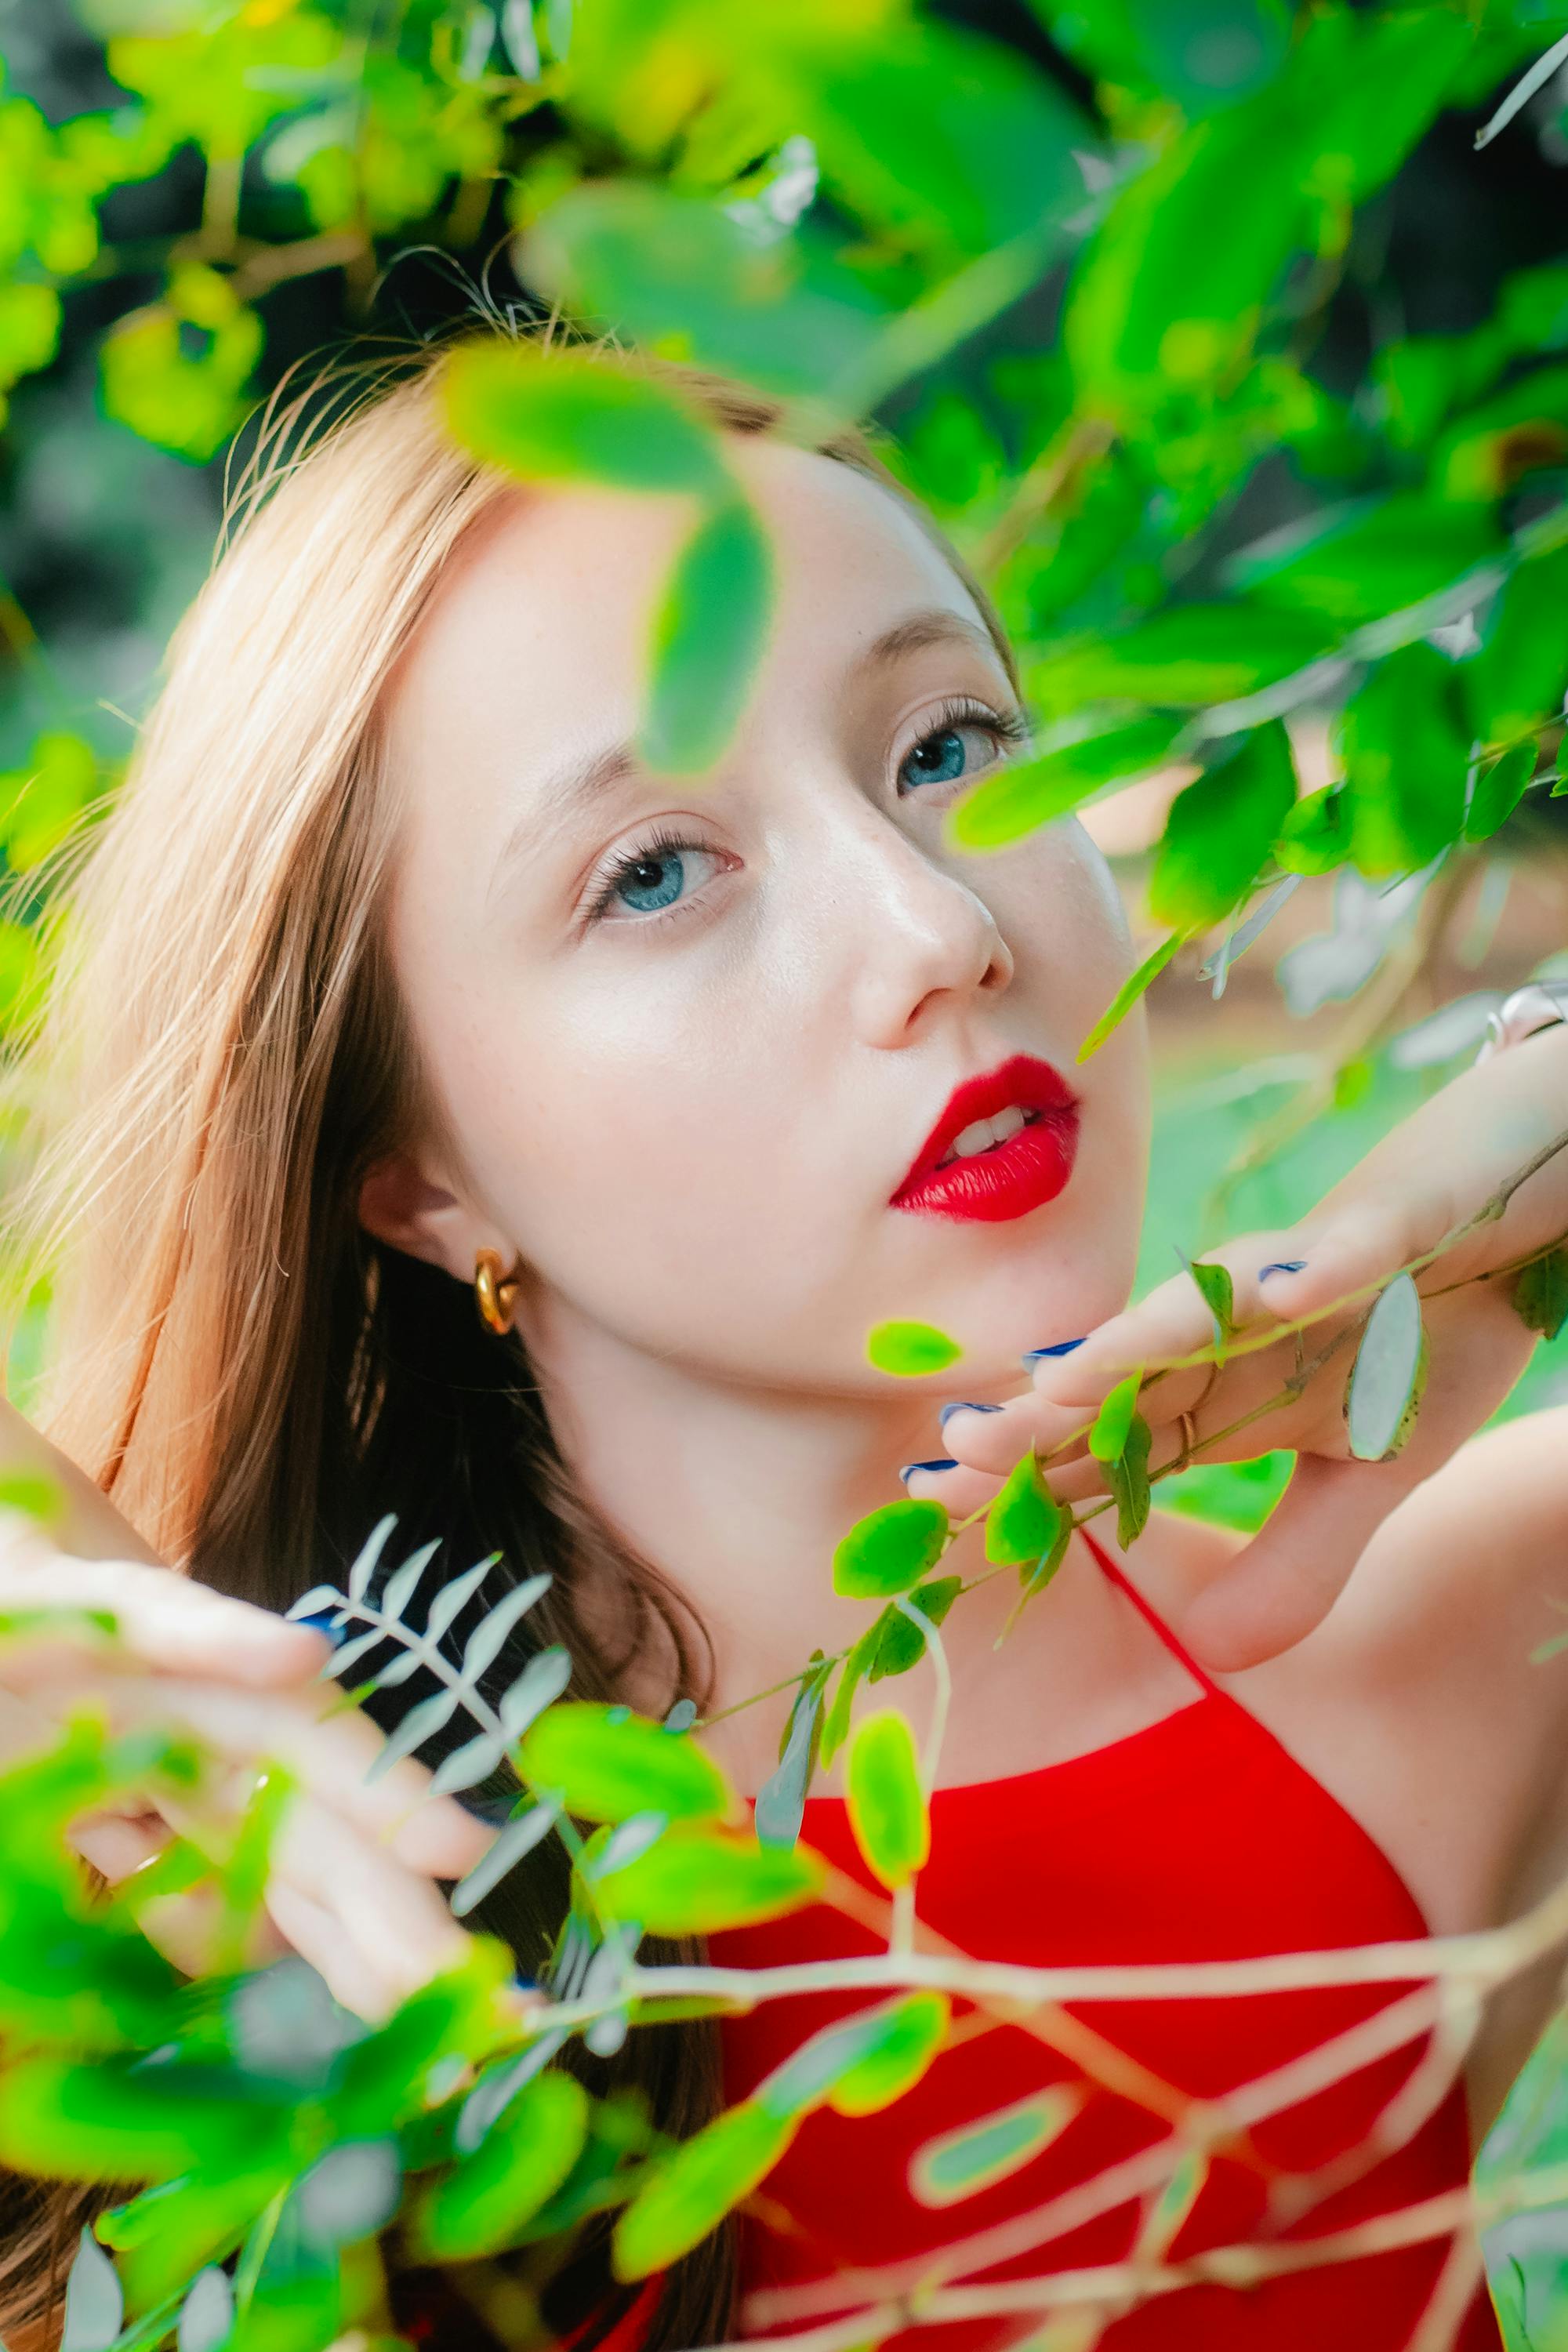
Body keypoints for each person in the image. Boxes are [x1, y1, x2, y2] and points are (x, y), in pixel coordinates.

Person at [0, 328, 1565, 2352]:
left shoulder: (1447, 1645)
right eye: (652, 873)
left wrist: (1533, 1147)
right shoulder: (262, 1883)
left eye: (948, 749)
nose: (937, 932)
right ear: (417, 1176)